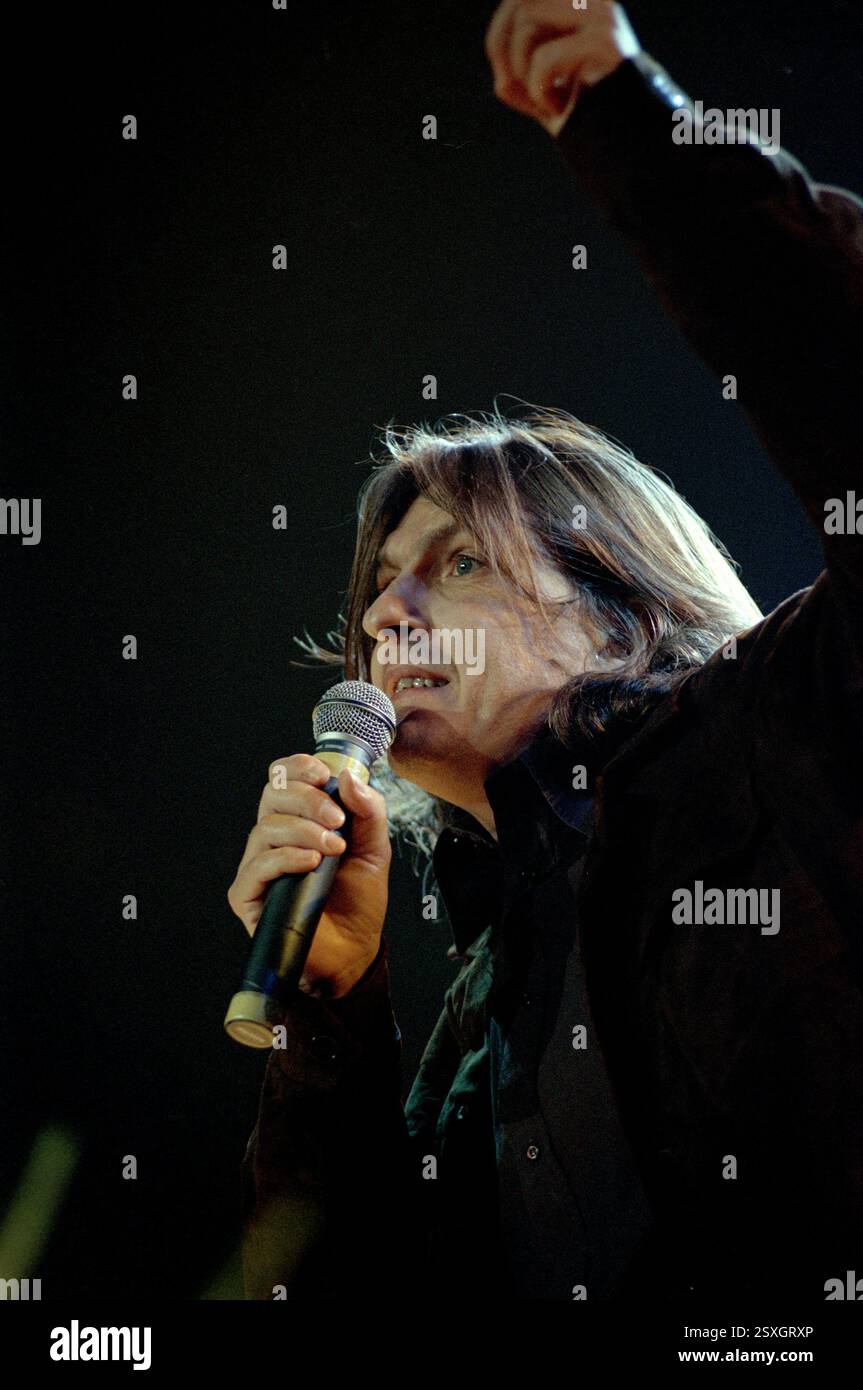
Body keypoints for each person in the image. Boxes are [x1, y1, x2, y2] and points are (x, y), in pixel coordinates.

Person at [230, 0, 863, 1301]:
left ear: (614, 607)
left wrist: (647, 140)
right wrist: (331, 1019)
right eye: (379, 585)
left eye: (457, 559)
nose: (389, 612)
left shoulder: (789, 742)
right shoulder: (475, 1016)